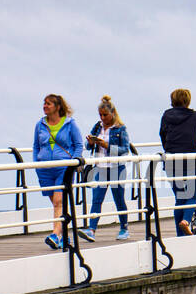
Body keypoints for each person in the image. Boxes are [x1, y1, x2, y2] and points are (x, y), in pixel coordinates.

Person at [159, 88, 196, 236]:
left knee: (180, 197)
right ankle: (186, 221)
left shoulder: (166, 115)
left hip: (172, 160)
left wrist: (169, 149)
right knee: (191, 196)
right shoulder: (195, 116)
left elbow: (163, 134)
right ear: (188, 101)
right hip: (191, 160)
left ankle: (180, 236)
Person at [34, 94, 86, 250]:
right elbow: (36, 145)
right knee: (57, 204)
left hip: (63, 167)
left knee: (58, 202)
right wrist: (37, 163)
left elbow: (78, 145)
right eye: (44, 103)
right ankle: (63, 235)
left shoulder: (70, 124)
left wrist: (74, 161)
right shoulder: (40, 124)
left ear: (57, 106)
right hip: (44, 169)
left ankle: (55, 235)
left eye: (48, 104)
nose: (45, 106)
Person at [82, 96, 132, 241]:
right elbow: (88, 146)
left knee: (119, 199)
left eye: (105, 115)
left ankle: (124, 228)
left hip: (116, 168)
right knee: (97, 199)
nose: (102, 118)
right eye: (100, 115)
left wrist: (107, 146)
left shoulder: (120, 128)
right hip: (100, 167)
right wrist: (91, 142)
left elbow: (125, 149)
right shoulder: (97, 126)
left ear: (112, 113)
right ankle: (91, 229)